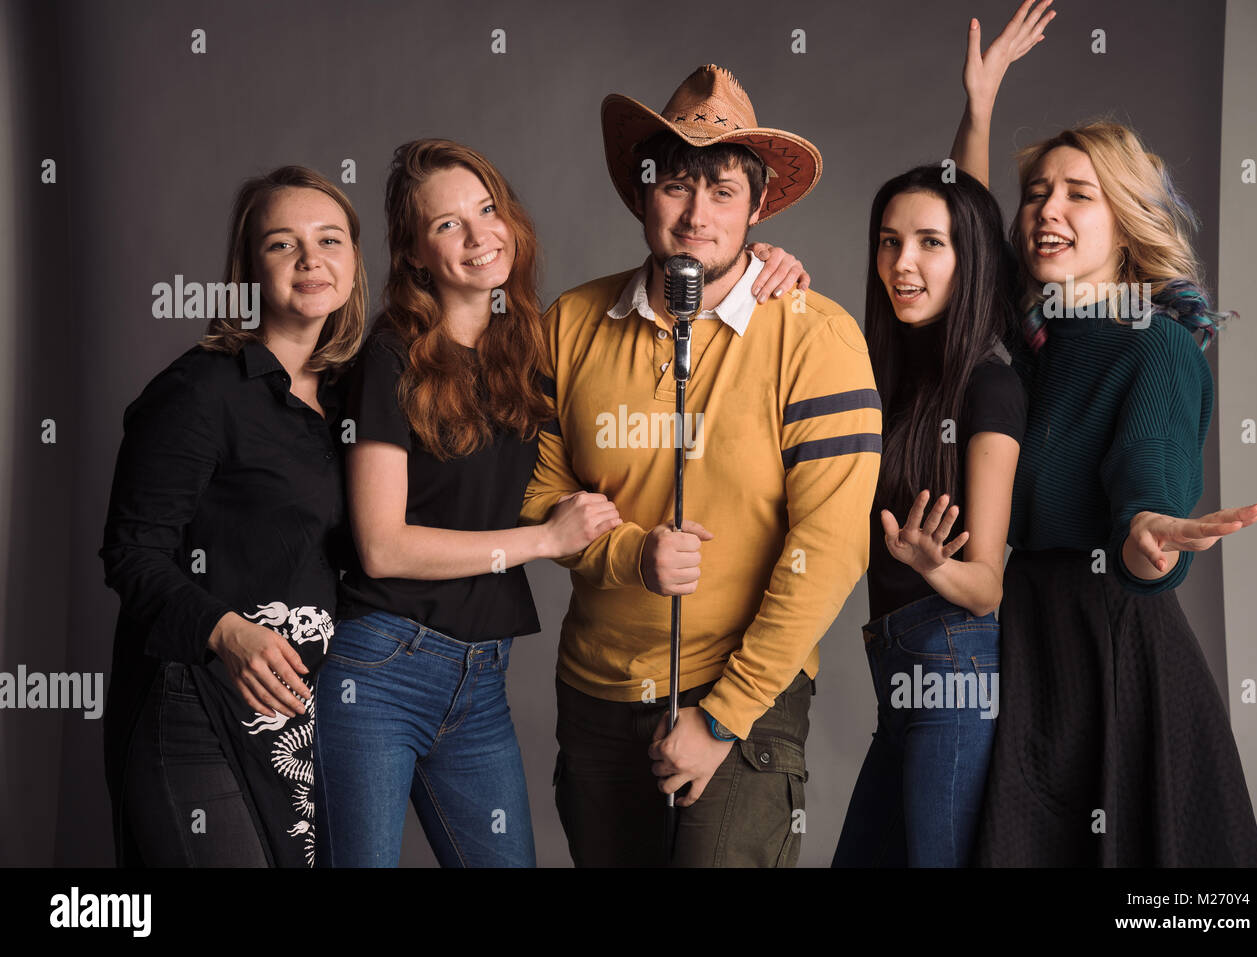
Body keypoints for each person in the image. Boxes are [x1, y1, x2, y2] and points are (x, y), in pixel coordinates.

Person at [312, 138, 806, 867]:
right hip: (382, 665)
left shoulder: (531, 344)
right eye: (447, 225)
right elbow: (382, 544)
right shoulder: (393, 356)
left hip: (479, 676)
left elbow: (676, 291)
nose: (479, 235)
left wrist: (759, 260)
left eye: (486, 210)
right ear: (414, 253)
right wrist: (543, 541)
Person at [519, 64, 881, 867]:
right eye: (675, 185)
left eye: (722, 191)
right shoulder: (569, 324)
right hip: (596, 695)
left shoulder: (817, 336)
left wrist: (723, 716)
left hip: (745, 692)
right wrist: (631, 554)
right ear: (642, 194)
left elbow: (832, 545)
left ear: (758, 208)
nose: (695, 215)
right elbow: (537, 492)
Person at [952, 0, 1257, 865]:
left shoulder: (1154, 347)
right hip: (1025, 642)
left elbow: (1149, 486)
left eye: (1078, 195)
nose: (1046, 208)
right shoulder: (1028, 340)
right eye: (1037, 193)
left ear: (1125, 222)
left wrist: (1149, 535)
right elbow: (968, 239)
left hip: (1114, 653)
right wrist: (977, 110)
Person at [101, 166, 368, 867]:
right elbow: (132, 552)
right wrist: (225, 632)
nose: (312, 260)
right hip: (194, 702)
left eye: (330, 239)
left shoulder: (354, 402)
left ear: (354, 261)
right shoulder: (199, 391)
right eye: (283, 244)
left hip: (299, 721)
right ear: (248, 268)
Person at [832, 165, 1024, 867]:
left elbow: (988, 588)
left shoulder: (989, 386)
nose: (902, 262)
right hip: (899, 670)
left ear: (967, 258)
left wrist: (933, 563)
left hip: (954, 663)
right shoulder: (890, 374)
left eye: (929, 244)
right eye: (888, 241)